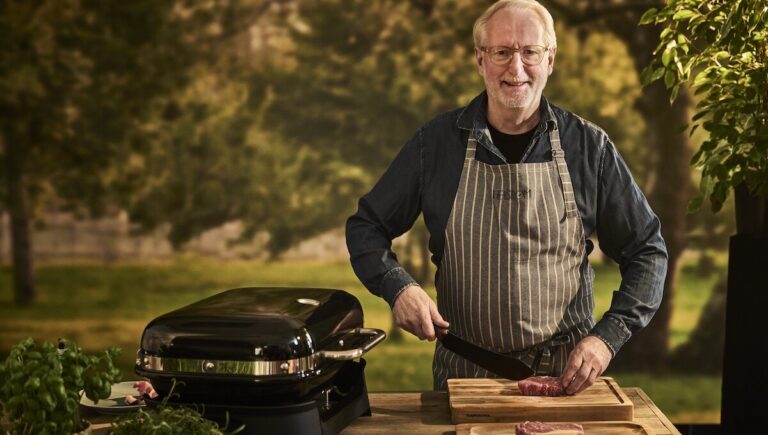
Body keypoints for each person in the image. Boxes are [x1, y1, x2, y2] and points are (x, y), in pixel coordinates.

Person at [345, 0, 667, 393]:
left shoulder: (588, 147)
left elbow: (647, 251)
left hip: (565, 380)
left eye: (529, 52)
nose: (516, 69)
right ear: (480, 60)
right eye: (502, 52)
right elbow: (366, 227)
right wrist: (398, 287)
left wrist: (607, 337)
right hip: (464, 378)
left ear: (550, 59)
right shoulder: (436, 144)